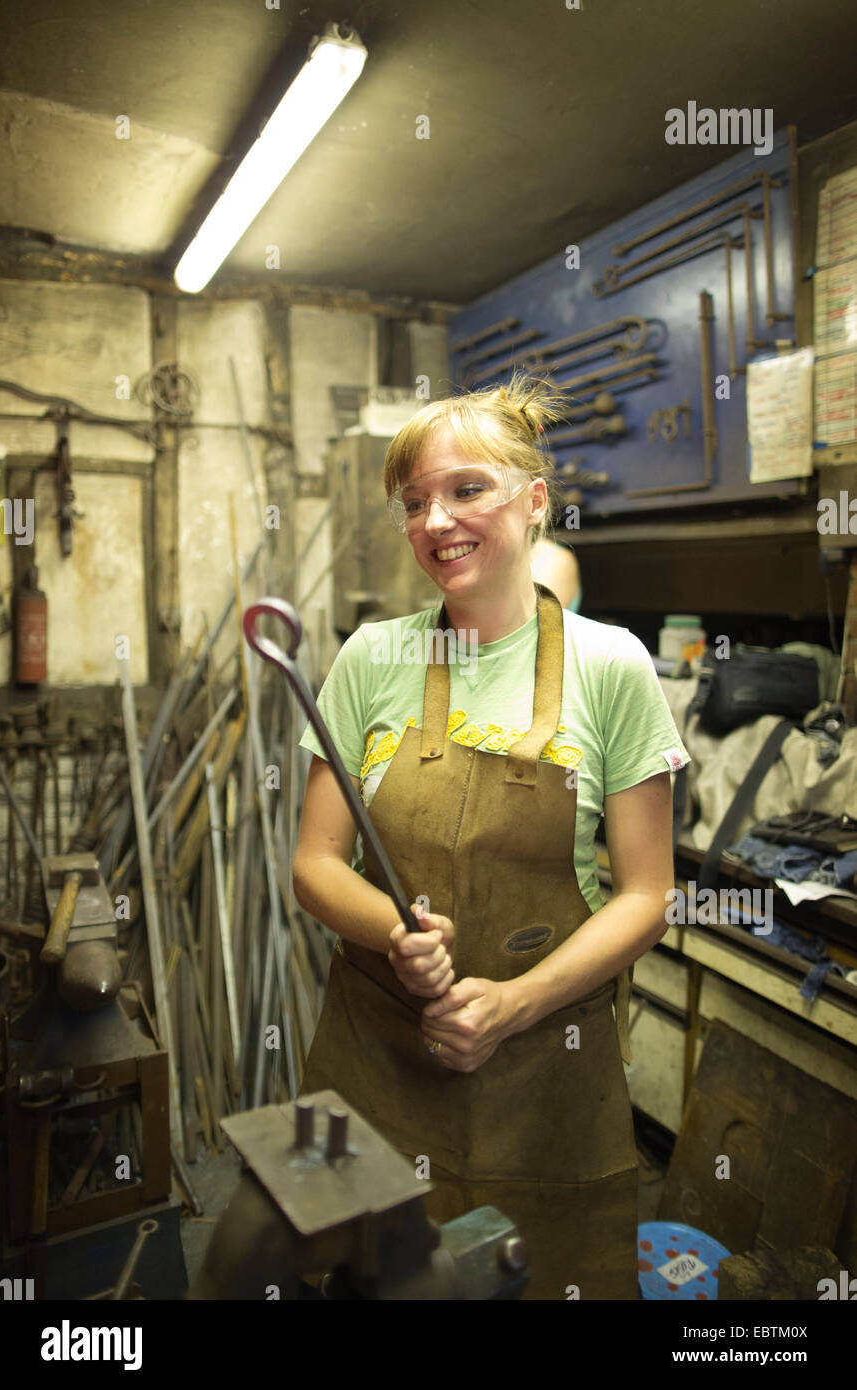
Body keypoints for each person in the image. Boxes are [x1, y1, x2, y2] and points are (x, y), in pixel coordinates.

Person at [293, 372, 690, 1300]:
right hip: (377, 1060)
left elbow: (647, 894)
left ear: (536, 501)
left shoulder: (611, 667)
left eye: (467, 489)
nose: (436, 521)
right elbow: (314, 865)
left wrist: (511, 1006)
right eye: (416, 501)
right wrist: (393, 935)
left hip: (548, 1070)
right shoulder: (370, 658)